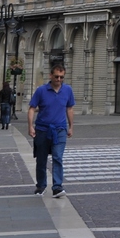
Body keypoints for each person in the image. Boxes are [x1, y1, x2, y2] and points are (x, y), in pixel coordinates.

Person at [28, 63, 74, 198]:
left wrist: (71, 126)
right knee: (41, 160)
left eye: (61, 77)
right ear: (50, 75)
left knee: (57, 157)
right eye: (56, 77)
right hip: (42, 130)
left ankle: (57, 187)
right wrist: (30, 126)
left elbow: (69, 108)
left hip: (60, 130)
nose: (59, 80)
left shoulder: (68, 90)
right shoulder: (41, 90)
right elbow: (31, 108)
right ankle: (41, 185)